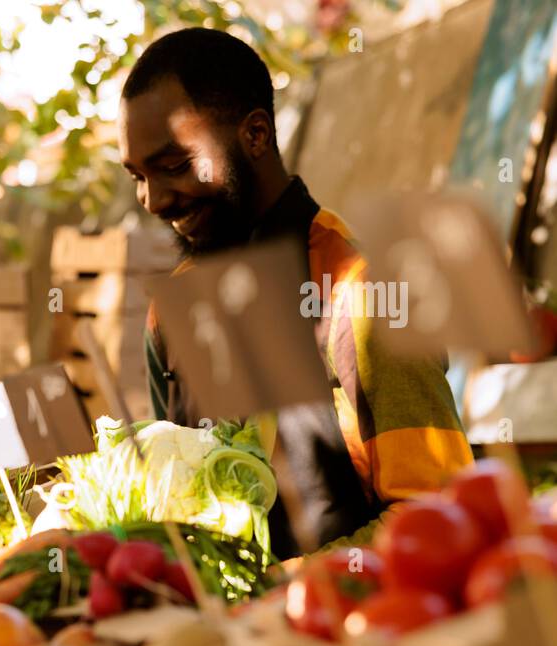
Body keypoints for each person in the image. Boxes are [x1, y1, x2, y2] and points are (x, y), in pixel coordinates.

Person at [119, 28, 472, 557]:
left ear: (256, 134)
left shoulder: (364, 293)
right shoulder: (170, 311)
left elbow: (437, 518)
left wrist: (282, 589)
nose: (153, 200)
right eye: (136, 176)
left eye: (173, 167)